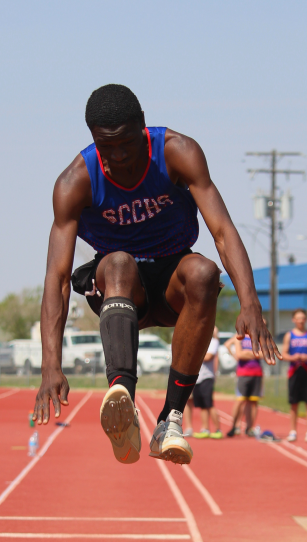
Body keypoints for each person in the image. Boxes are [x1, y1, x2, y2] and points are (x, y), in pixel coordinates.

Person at [32, 84, 278, 467]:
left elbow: (223, 232)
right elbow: (57, 277)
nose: (118, 155)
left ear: (143, 127)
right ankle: (122, 401)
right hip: (121, 290)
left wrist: (250, 302)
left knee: (204, 273)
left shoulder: (177, 152)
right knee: (117, 262)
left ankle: (170, 420)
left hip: (172, 280)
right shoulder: (73, 182)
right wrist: (51, 363)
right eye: (105, 146)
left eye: (126, 143)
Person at [282, 309, 307, 443]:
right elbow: (284, 354)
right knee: (294, 403)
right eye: (298, 318)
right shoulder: (289, 335)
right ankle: (293, 431)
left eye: (303, 318)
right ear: (294, 320)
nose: (301, 320)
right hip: (294, 372)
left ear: (306, 319)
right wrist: (294, 357)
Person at [225, 326, 265, 438]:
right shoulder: (240, 336)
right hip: (243, 373)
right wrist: (254, 353)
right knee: (240, 400)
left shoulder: (259, 338)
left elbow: (264, 354)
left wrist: (247, 353)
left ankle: (249, 427)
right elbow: (239, 354)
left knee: (253, 402)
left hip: (257, 373)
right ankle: (234, 426)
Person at [189, 327, 221, 439]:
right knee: (202, 405)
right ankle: (205, 428)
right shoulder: (198, 341)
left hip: (207, 377)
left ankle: (218, 429)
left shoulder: (214, 341)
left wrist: (194, 354)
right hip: (197, 377)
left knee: (209, 404)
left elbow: (208, 356)